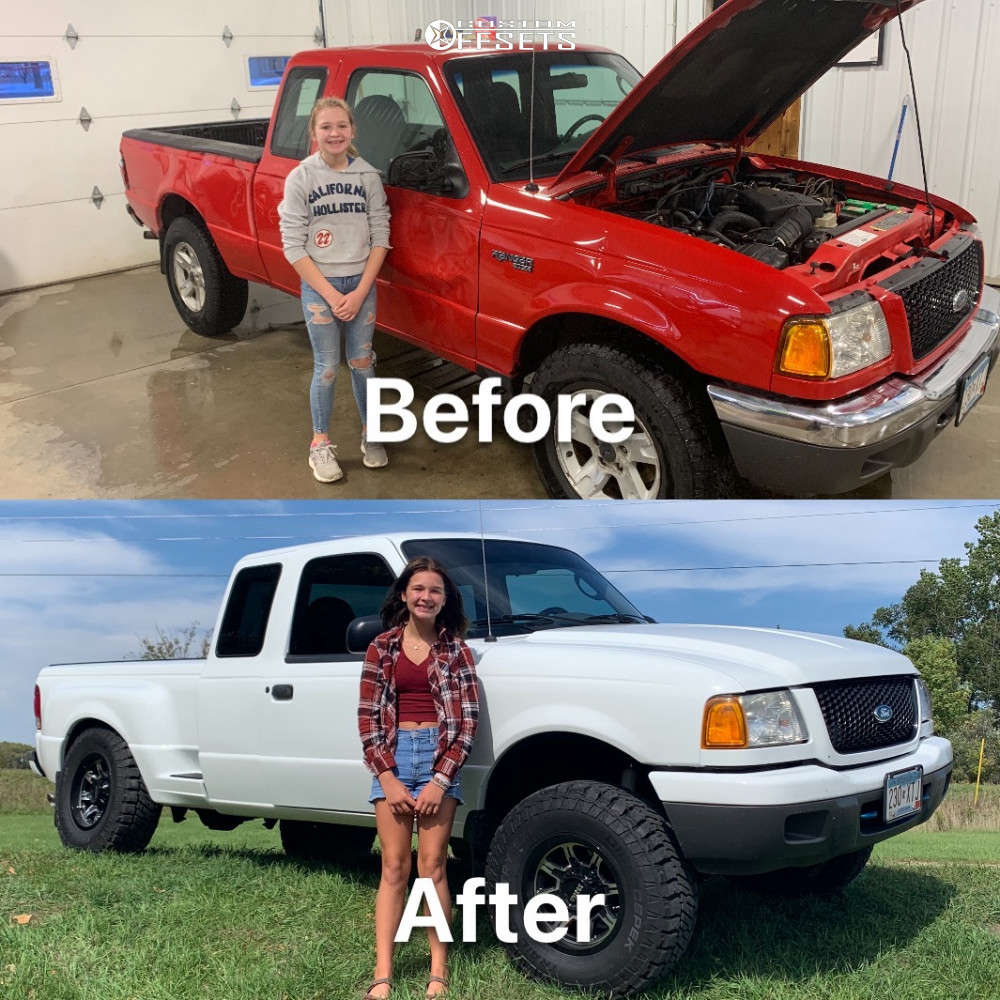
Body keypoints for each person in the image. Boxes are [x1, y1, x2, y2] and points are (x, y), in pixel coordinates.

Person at [358, 557, 480, 999]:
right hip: (392, 758)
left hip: (437, 758)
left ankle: (438, 970)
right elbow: (368, 719)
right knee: (394, 867)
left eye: (435, 591)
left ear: (445, 601)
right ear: (404, 595)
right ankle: (383, 972)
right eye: (419, 588)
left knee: (432, 867)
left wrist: (440, 780)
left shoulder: (457, 651)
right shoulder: (381, 648)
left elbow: (468, 723)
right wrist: (387, 778)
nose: (426, 596)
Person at [278, 97, 391, 484]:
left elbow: (381, 237)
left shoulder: (368, 177)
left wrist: (359, 292)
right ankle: (320, 444)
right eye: (326, 127)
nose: (334, 133)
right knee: (326, 368)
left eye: (341, 126)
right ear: (314, 133)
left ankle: (371, 436)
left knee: (363, 363)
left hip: (360, 286)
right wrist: (329, 293)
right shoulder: (301, 178)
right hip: (320, 287)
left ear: (352, 130)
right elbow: (293, 245)